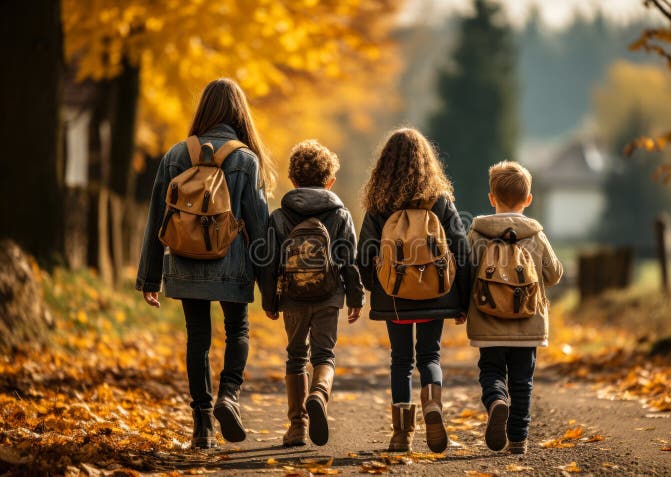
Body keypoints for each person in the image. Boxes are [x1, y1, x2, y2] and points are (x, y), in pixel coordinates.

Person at [137, 78, 275, 449]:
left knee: (197, 339)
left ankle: (202, 426)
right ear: (239, 113)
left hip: (183, 263)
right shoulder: (245, 159)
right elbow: (259, 228)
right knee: (237, 331)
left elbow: (157, 219)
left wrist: (149, 277)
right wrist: (270, 288)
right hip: (233, 263)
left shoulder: (176, 155)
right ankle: (228, 396)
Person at [357, 128, 470, 453]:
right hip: (436, 293)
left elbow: (365, 253)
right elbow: (462, 251)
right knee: (430, 355)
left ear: (384, 166)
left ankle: (401, 435)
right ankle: (432, 403)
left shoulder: (380, 204)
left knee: (401, 360)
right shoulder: (440, 202)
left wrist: (374, 288)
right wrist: (461, 301)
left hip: (394, 296)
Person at [262, 140, 364, 447]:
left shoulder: (280, 216)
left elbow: (267, 261)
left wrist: (270, 299)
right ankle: (319, 393)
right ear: (330, 180)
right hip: (329, 295)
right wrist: (356, 298)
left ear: (292, 180)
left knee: (295, 357)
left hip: (292, 296)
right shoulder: (340, 214)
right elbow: (349, 260)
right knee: (324, 355)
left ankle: (298, 427)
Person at [466, 161, 563, 454]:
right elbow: (554, 274)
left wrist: (459, 309)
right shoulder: (535, 235)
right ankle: (518, 439)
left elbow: (465, 274)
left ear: (491, 197)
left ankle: (497, 401)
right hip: (528, 324)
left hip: (487, 322)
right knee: (523, 381)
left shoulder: (478, 234)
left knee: (491, 371)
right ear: (528, 199)